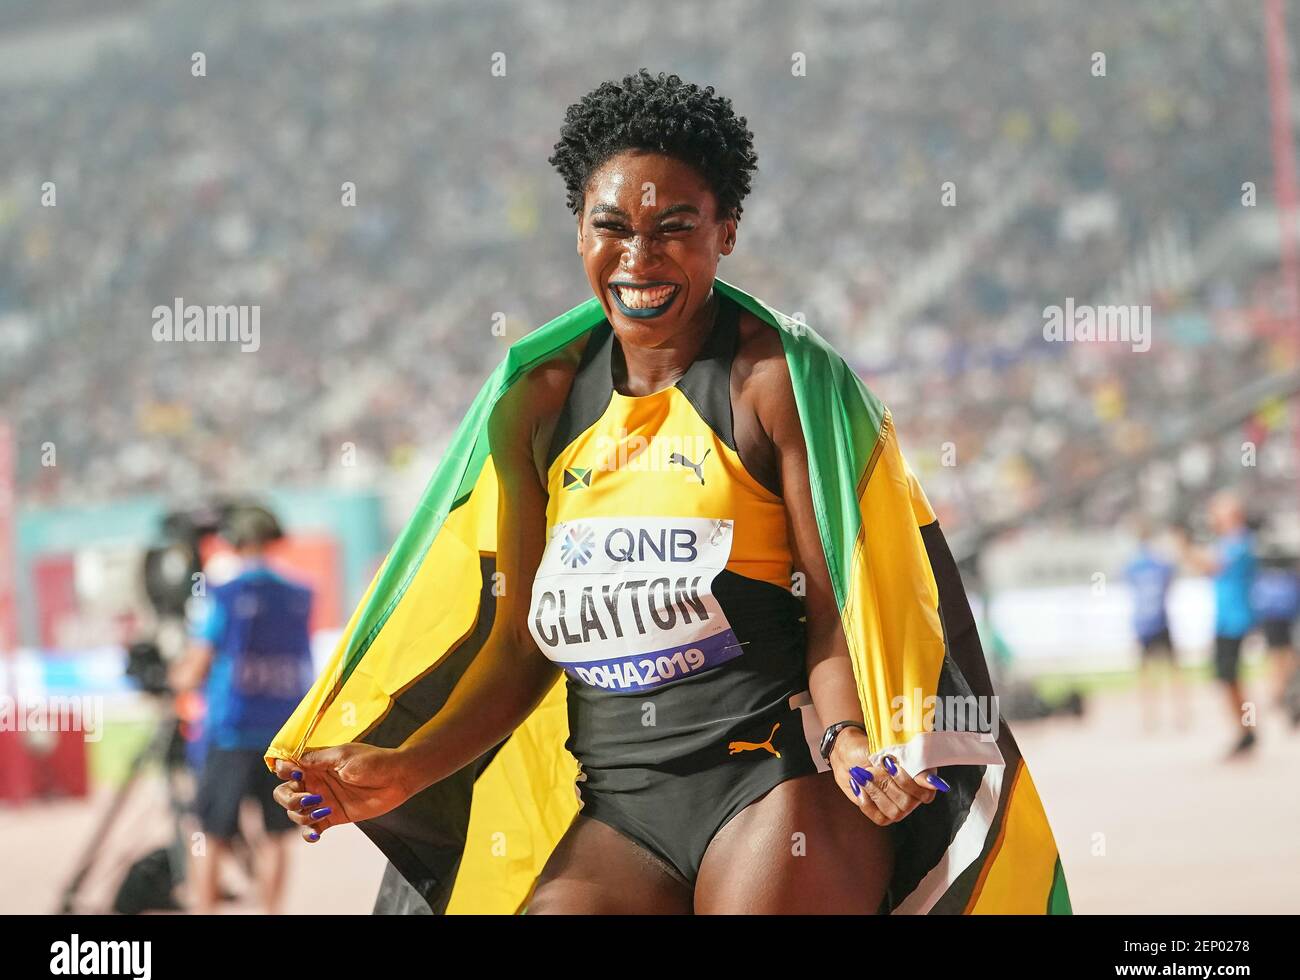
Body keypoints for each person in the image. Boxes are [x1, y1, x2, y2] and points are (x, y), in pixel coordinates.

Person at [269, 71, 1067, 915]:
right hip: (621, 806)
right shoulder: (536, 405)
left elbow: (836, 605)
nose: (638, 260)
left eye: (673, 229)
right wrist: (401, 768)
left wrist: (846, 737)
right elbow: (520, 648)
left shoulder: (770, 383)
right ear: (578, 229)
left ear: (726, 231)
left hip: (774, 778)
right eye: (610, 227)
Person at [171, 506, 314, 912]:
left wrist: (174, 678)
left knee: (209, 834)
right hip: (281, 734)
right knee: (276, 835)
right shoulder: (301, 593)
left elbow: (197, 666)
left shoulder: (225, 593)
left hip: (230, 732)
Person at [1176, 491, 1257, 757]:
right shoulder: (1227, 542)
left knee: (1230, 676)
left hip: (1235, 620)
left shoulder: (1240, 542)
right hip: (1225, 621)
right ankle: (1245, 729)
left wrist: (1185, 544)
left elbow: (1211, 565)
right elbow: (1203, 565)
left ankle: (1247, 730)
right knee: (1227, 678)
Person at [1123, 526, 1184, 731]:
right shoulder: (1161, 563)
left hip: (1142, 623)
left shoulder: (1132, 565)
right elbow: (1170, 580)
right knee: (1174, 670)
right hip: (1161, 620)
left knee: (1145, 673)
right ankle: (1180, 714)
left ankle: (1149, 718)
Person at [1250, 548, 1300, 723]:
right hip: (1282, 623)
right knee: (1284, 660)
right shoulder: (1287, 579)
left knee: (1279, 660)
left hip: (1276, 623)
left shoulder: (1266, 579)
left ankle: (1279, 694)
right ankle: (1279, 693)